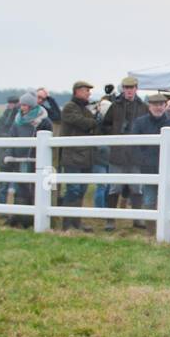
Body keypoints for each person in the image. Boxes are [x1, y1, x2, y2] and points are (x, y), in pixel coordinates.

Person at [100, 76, 149, 228]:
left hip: (135, 154)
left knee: (137, 187)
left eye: (131, 88)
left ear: (136, 88)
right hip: (118, 152)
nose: (129, 91)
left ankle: (137, 218)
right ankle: (110, 220)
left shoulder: (143, 106)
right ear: (123, 89)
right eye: (126, 88)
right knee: (115, 187)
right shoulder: (115, 106)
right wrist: (115, 135)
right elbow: (105, 125)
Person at [3, 91, 52, 227]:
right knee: (21, 188)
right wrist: (9, 155)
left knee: (34, 188)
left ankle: (31, 218)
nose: (22, 107)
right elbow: (12, 137)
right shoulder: (17, 120)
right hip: (19, 159)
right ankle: (21, 216)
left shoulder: (43, 121)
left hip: (36, 160)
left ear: (31, 105)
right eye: (21, 105)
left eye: (25, 105)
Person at [57, 81, 98, 231]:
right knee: (73, 189)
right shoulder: (70, 108)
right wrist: (94, 120)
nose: (89, 93)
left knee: (81, 190)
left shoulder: (84, 109)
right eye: (86, 90)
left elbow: (93, 123)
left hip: (85, 156)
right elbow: (84, 123)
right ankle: (68, 224)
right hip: (73, 156)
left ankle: (76, 222)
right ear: (77, 91)